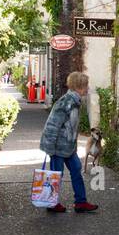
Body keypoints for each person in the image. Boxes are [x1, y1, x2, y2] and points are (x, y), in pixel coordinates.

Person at [39, 71, 99, 213]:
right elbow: (53, 125)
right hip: (57, 147)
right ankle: (52, 204)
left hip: (68, 147)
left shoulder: (75, 101)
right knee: (56, 175)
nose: (87, 88)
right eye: (86, 85)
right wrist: (50, 148)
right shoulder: (66, 102)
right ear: (79, 86)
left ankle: (81, 202)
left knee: (76, 170)